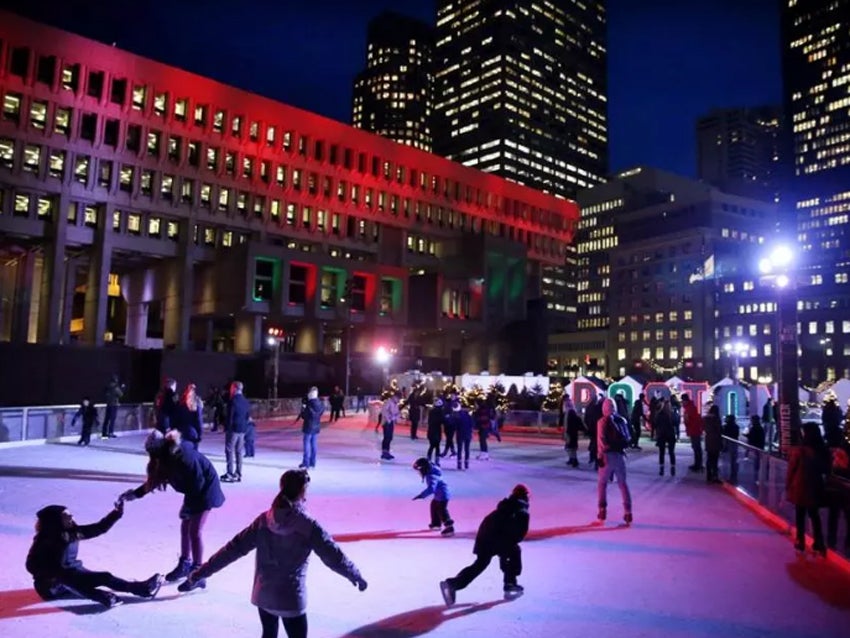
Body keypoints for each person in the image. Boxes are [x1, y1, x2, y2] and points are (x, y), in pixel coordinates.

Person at [178, 469, 367, 638]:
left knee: (268, 634)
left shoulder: (263, 520)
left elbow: (231, 550)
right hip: (291, 597)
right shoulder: (308, 526)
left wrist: (200, 573)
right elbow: (333, 556)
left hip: (264, 595)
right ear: (302, 492)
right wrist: (354, 574)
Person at [121, 429, 225, 582]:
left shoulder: (183, 457)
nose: (151, 456)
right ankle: (185, 564)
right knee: (185, 528)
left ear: (160, 449)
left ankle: (198, 571)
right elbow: (154, 481)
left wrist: (189, 508)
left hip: (206, 491)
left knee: (195, 531)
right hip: (193, 492)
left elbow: (198, 484)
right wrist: (135, 494)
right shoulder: (165, 459)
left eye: (152, 452)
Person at [25, 501, 164, 609]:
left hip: (72, 573)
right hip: (50, 586)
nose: (72, 516)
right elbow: (31, 564)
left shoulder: (72, 533)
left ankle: (142, 589)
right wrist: (52, 576)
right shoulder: (46, 540)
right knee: (68, 579)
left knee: (105, 577)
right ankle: (105, 595)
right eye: (66, 516)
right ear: (55, 521)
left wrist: (116, 513)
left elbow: (99, 528)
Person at [439, 484, 530, 606]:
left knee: (481, 564)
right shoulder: (521, 511)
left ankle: (453, 584)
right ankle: (510, 583)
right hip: (498, 539)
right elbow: (519, 535)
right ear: (526, 496)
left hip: (485, 538)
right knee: (513, 552)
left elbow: (491, 525)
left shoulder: (504, 506)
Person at [785, 422, 828, 556]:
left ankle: (800, 540)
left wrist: (788, 485)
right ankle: (818, 541)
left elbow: (792, 469)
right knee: (814, 515)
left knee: (800, 514)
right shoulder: (822, 449)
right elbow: (827, 469)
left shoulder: (800, 450)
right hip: (816, 486)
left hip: (801, 486)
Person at [596, 397, 633, 524]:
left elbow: (601, 441)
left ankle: (602, 511)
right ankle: (628, 512)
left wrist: (600, 456)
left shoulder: (602, 421)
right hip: (619, 455)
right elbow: (628, 437)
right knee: (623, 484)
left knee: (602, 484)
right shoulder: (621, 420)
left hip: (607, 455)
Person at [412, 457, 455, 536]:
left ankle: (449, 527)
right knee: (434, 506)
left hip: (442, 495)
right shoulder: (433, 471)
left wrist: (422, 495)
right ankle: (436, 524)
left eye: (419, 471)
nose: (419, 473)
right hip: (440, 494)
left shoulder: (431, 476)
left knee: (441, 510)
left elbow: (431, 488)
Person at [222, 380, 250, 483]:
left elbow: (230, 416)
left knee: (229, 450)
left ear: (234, 388)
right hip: (242, 430)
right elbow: (247, 416)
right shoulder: (245, 401)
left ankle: (230, 473)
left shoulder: (232, 401)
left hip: (233, 429)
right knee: (239, 451)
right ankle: (238, 473)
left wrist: (227, 428)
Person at [298, 387, 324, 469]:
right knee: (314, 444)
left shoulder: (309, 404)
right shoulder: (320, 403)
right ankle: (313, 462)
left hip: (308, 426)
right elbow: (320, 413)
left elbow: (304, 416)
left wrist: (303, 408)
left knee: (306, 444)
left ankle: (306, 462)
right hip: (316, 426)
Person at [176, 383, 204, 450]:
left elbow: (177, 418)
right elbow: (199, 420)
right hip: (193, 432)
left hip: (182, 431)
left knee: (184, 452)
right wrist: (200, 433)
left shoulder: (181, 403)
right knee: (193, 452)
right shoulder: (197, 403)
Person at [682, 393, 704, 472]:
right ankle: (698, 464)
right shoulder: (692, 408)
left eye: (683, 401)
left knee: (696, 448)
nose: (682, 402)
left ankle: (698, 465)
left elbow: (687, 420)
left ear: (685, 401)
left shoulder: (689, 409)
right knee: (696, 448)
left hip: (694, 430)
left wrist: (686, 422)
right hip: (695, 430)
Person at [654, 399, 677, 477]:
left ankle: (662, 468)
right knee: (671, 452)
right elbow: (676, 423)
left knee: (662, 452)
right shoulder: (672, 414)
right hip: (670, 434)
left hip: (662, 435)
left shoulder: (659, 414)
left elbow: (656, 424)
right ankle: (672, 468)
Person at [450, 400, 475, 471]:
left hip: (460, 434)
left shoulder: (456, 416)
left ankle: (459, 464)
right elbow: (472, 424)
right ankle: (466, 464)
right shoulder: (467, 414)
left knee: (460, 449)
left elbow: (454, 426)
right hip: (467, 434)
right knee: (467, 449)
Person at [703, 405, 723, 484]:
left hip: (708, 440)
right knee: (715, 459)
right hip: (716, 440)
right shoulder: (716, 419)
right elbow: (719, 430)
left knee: (709, 458)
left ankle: (709, 476)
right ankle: (715, 476)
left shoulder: (706, 419)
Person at [102, 374, 124, 439]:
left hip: (108, 404)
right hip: (114, 405)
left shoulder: (108, 386)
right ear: (115, 380)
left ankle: (104, 433)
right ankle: (110, 432)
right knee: (112, 419)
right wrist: (122, 388)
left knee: (106, 419)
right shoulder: (116, 387)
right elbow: (121, 394)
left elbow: (105, 394)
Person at [380, 392, 401, 461]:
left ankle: (387, 452)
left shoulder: (395, 404)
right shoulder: (388, 402)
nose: (398, 400)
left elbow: (397, 413)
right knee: (387, 437)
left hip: (391, 422)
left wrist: (397, 417)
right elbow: (384, 411)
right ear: (394, 397)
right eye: (398, 399)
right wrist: (388, 418)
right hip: (386, 422)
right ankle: (384, 452)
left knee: (390, 437)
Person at [745, 415, 766, 481]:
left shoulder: (755, 428)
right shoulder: (759, 428)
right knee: (757, 460)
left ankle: (757, 475)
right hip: (759, 446)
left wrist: (747, 435)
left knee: (757, 460)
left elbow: (752, 437)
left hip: (756, 446)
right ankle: (758, 474)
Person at [564, 395, 583, 468]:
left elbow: (571, 424)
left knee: (571, 447)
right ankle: (572, 459)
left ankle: (574, 460)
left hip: (571, 433)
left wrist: (567, 432)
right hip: (570, 432)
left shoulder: (570, 413)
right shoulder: (569, 412)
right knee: (570, 447)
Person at [723, 414, 740, 484]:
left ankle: (730, 475)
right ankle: (733, 474)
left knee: (730, 460)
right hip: (734, 443)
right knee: (733, 459)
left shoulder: (726, 427)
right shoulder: (736, 427)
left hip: (729, 443)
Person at [426, 399, 445, 466]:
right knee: (437, 446)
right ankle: (436, 460)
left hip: (431, 430)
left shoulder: (431, 411)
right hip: (437, 430)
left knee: (431, 446)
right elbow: (442, 421)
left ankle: (428, 459)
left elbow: (429, 421)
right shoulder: (440, 412)